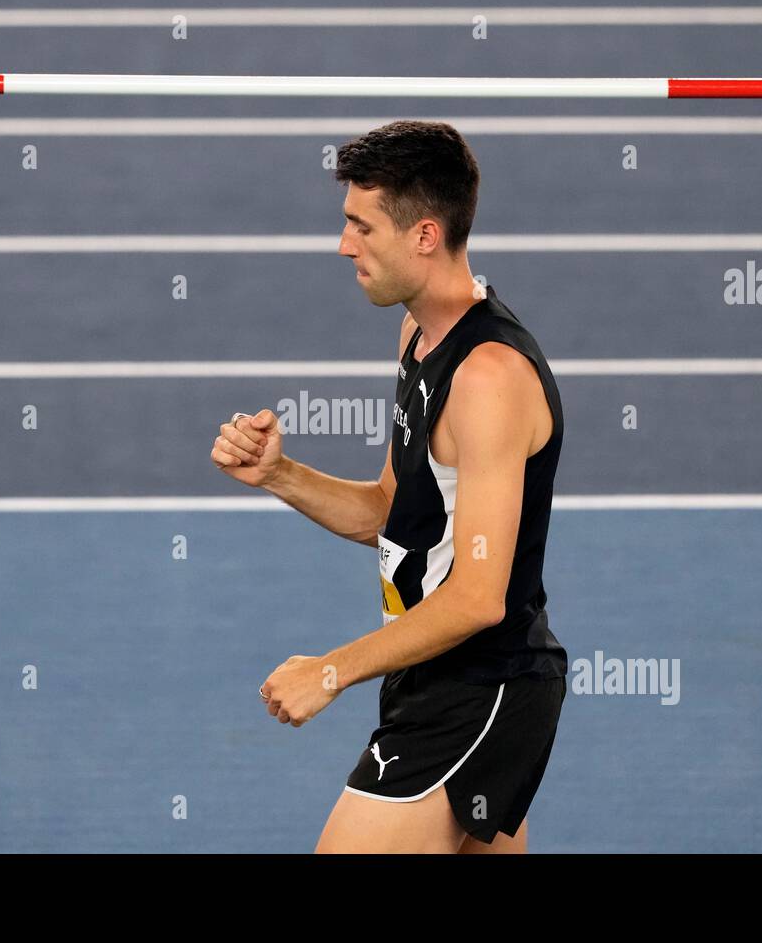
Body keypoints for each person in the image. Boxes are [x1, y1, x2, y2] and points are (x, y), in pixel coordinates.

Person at [211, 121, 568, 853]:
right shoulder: (418, 337)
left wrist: (330, 671)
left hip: (480, 689)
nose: (344, 246)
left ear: (425, 235)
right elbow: (392, 512)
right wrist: (280, 474)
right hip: (434, 677)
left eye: (361, 226)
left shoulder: (488, 381)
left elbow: (477, 596)